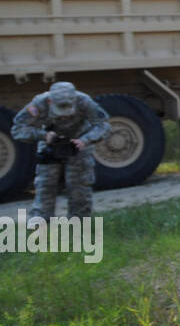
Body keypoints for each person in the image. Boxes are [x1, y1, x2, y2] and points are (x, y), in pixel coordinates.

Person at [10, 81, 109, 223]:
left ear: (74, 100)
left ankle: (79, 223)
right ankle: (41, 223)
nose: (64, 117)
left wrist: (85, 140)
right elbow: (18, 129)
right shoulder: (39, 104)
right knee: (45, 185)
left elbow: (103, 125)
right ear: (50, 101)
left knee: (79, 186)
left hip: (78, 143)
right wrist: (44, 136)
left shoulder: (84, 102)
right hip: (50, 145)